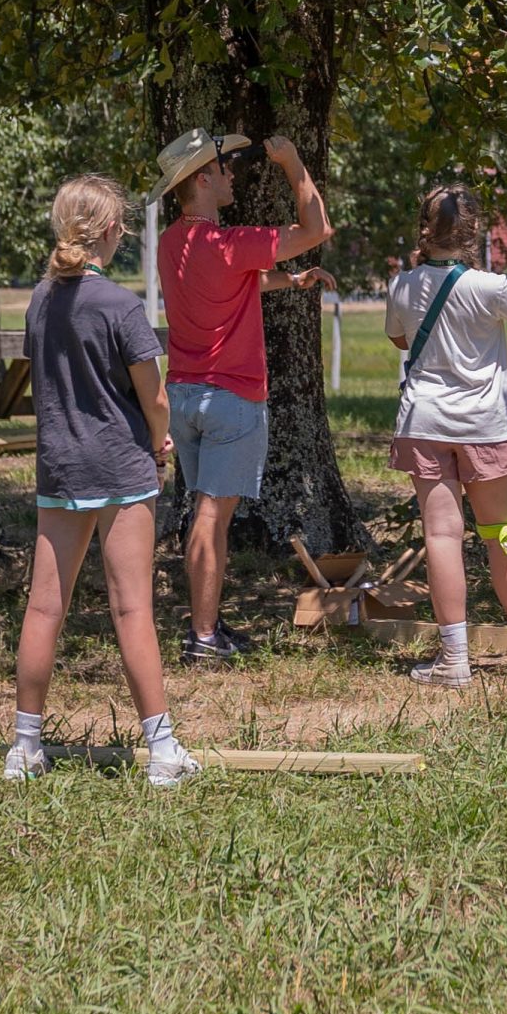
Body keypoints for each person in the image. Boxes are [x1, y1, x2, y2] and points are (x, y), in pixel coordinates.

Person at [5, 175, 200, 787]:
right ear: (112, 231)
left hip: (61, 469)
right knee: (132, 607)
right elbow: (156, 398)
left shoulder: (40, 300)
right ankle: (163, 750)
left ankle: (24, 746)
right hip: (121, 467)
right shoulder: (121, 306)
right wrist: (159, 438)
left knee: (44, 607)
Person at [383, 187, 507, 686]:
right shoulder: (489, 287)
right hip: (484, 427)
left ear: (425, 230)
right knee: (503, 533)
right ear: (474, 234)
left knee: (442, 536)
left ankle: (453, 659)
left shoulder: (401, 286)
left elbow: (400, 338)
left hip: (423, 423)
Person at [151, 128, 334, 663]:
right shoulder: (230, 243)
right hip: (230, 401)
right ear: (202, 179)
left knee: (205, 513)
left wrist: (289, 280)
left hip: (183, 395)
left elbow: (232, 284)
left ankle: (208, 623)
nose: (232, 174)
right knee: (212, 517)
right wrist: (294, 161)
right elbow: (317, 227)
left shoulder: (173, 245)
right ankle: (203, 638)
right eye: (223, 168)